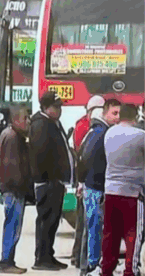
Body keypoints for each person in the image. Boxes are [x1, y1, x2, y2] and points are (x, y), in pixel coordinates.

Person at [98, 103, 145, 276]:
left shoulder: (109, 133)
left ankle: (106, 270)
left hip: (110, 191)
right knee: (133, 234)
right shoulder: (141, 136)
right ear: (136, 116)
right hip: (133, 194)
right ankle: (130, 270)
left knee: (110, 234)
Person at [28, 90, 72, 271]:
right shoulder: (40, 125)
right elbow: (41, 156)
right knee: (46, 221)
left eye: (60, 106)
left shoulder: (52, 122)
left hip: (55, 182)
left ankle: (48, 255)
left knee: (53, 221)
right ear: (46, 108)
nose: (59, 110)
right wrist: (51, 179)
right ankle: (41, 258)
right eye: (56, 107)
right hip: (48, 182)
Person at [77, 98, 121, 276]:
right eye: (114, 113)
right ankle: (92, 266)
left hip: (91, 186)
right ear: (105, 113)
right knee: (94, 229)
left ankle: (88, 265)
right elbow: (86, 158)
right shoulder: (101, 133)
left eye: (119, 114)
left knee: (91, 229)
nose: (117, 118)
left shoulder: (96, 131)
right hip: (96, 188)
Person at [0, 104, 34, 274]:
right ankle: (6, 262)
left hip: (11, 189)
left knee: (12, 225)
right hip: (14, 191)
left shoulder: (11, 135)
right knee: (12, 226)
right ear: (16, 119)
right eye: (25, 118)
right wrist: (25, 190)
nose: (28, 121)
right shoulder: (12, 138)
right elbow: (14, 169)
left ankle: (8, 260)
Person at [72, 95, 106, 269]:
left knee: (87, 226)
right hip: (89, 183)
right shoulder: (86, 127)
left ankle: (81, 260)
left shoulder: (91, 128)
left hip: (85, 182)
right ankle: (82, 261)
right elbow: (82, 154)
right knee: (88, 226)